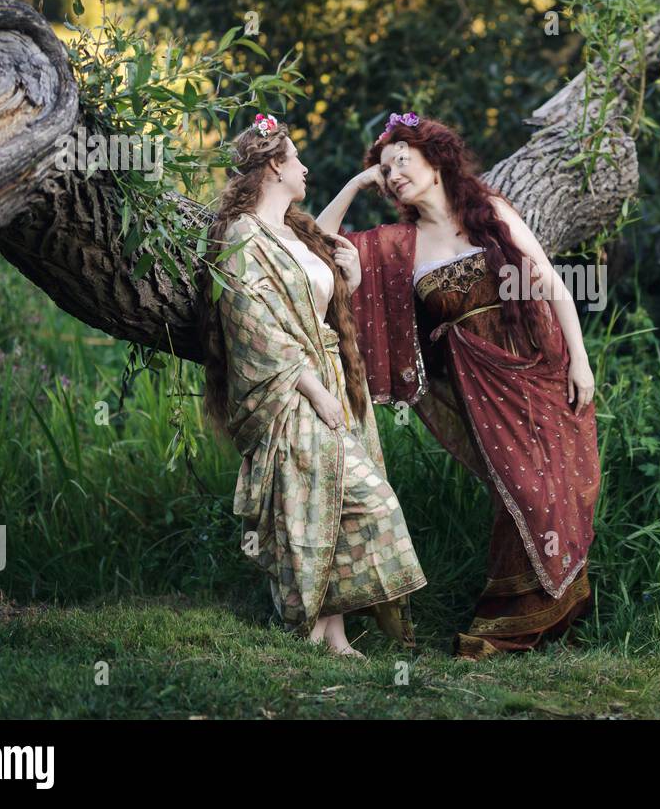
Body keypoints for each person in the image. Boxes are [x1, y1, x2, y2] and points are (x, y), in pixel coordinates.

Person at [317, 111, 601, 660]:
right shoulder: (398, 245)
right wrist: (355, 183)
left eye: (403, 160)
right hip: (482, 388)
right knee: (522, 492)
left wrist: (580, 361)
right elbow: (316, 244)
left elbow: (551, 282)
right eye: (385, 168)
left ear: (436, 159)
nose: (393, 173)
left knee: (564, 486)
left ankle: (562, 609)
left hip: (541, 365)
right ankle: (510, 622)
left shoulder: (489, 213)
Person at [199, 113, 426, 658]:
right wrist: (316, 392)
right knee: (361, 501)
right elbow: (257, 331)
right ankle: (307, 620)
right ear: (276, 166)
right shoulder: (241, 238)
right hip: (294, 389)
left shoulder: (293, 232)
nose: (305, 167)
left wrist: (347, 280)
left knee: (337, 502)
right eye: (297, 158)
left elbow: (316, 304)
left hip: (332, 376)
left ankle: (333, 633)